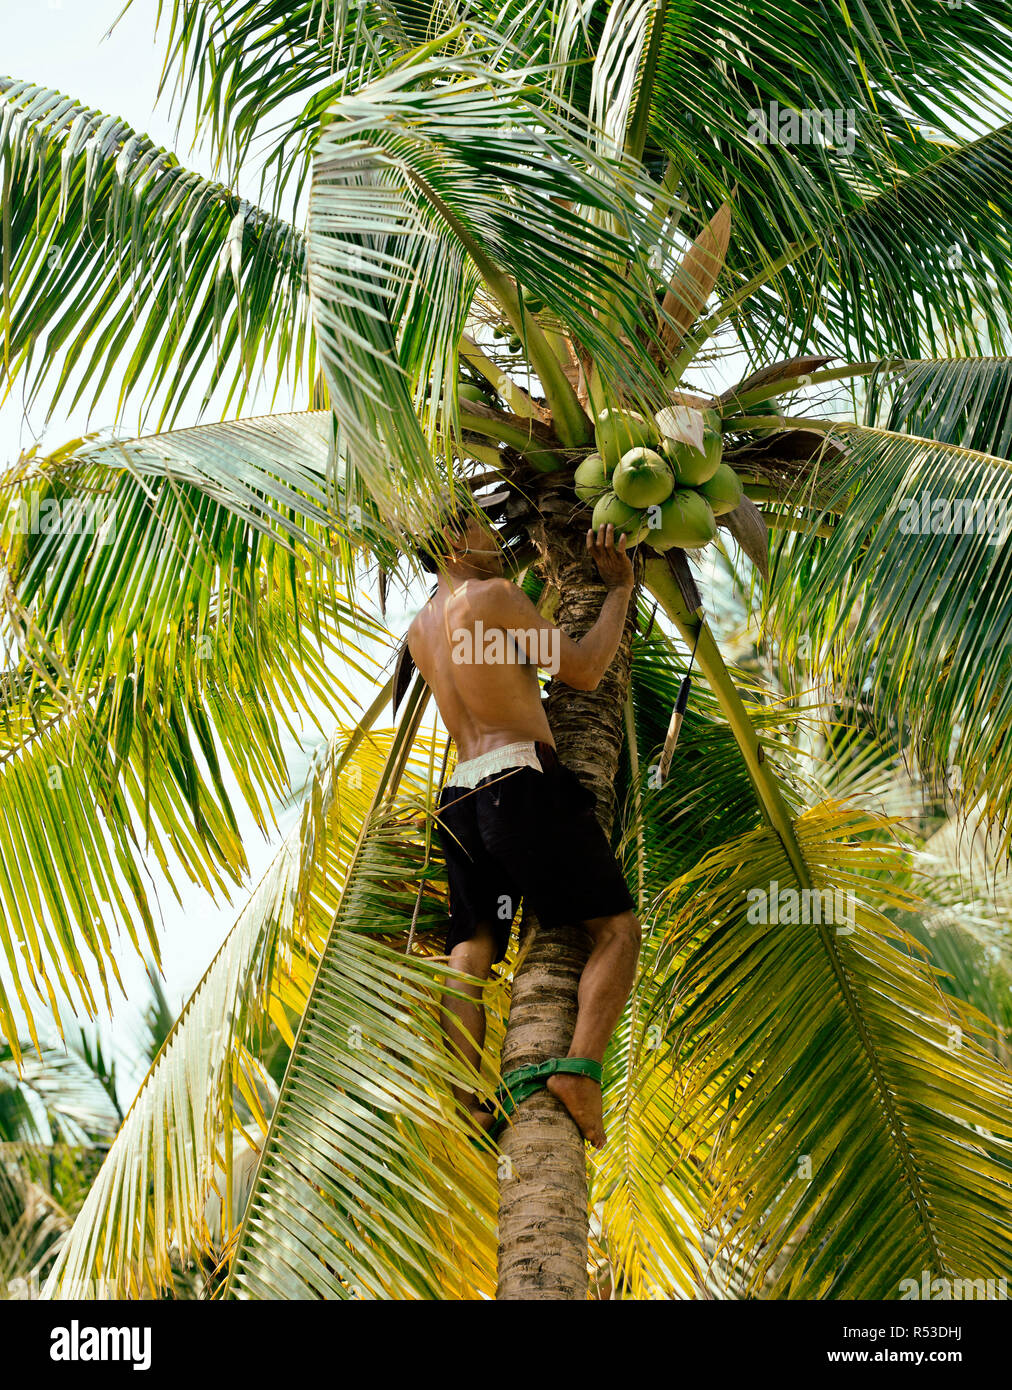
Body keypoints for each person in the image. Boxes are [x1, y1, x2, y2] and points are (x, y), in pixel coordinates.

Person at [406, 492, 640, 1148]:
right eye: (481, 525)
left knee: (470, 952)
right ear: (453, 540)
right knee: (618, 931)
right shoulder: (493, 597)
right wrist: (619, 590)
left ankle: (467, 1102)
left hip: (459, 798)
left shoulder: (421, 629)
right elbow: (585, 672)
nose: (495, 535)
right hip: (518, 783)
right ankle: (580, 1070)